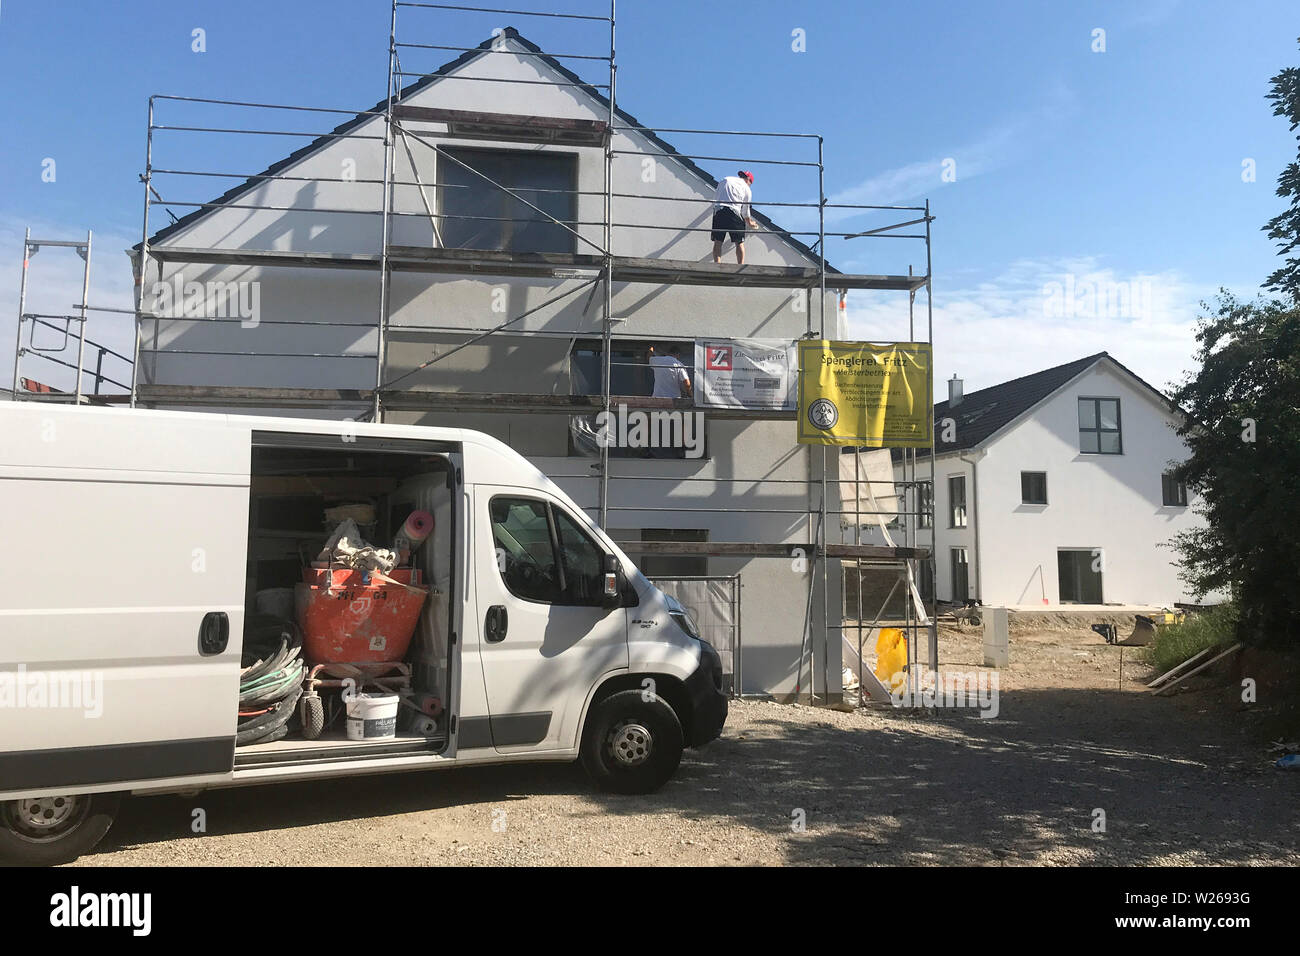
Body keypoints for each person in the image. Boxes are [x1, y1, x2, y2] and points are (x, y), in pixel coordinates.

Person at [711, 170, 758, 264]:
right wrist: (750, 223)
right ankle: (740, 265)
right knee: (739, 242)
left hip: (719, 211)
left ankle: (717, 264)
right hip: (734, 212)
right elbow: (745, 210)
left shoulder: (726, 179)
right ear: (749, 180)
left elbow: (716, 197)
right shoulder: (746, 188)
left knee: (718, 241)